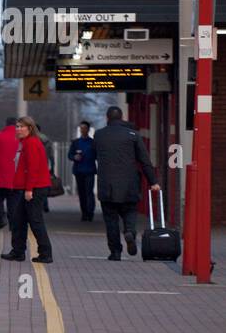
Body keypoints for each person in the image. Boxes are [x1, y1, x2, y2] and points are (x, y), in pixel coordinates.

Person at [94, 105, 159, 261]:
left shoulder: (99, 135)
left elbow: (94, 155)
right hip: (129, 184)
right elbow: (144, 161)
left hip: (107, 185)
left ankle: (115, 252)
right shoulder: (133, 135)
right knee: (130, 213)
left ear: (107, 118)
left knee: (111, 220)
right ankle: (129, 231)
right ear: (122, 117)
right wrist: (153, 181)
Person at [2, 115, 53, 264]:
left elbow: (33, 169)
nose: (17, 129)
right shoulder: (25, 143)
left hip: (34, 188)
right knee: (18, 220)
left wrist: (29, 190)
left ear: (30, 128)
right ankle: (18, 251)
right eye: (17, 126)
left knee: (35, 221)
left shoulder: (31, 143)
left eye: (21, 126)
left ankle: (45, 253)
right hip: (26, 188)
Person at [68, 120, 97, 222]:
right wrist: (74, 157)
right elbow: (69, 155)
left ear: (88, 130)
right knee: (82, 193)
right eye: (81, 128)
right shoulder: (75, 143)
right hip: (79, 171)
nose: (82, 130)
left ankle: (90, 213)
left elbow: (98, 156)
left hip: (89, 171)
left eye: (84, 128)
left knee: (89, 192)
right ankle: (84, 213)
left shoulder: (93, 143)